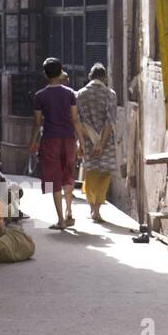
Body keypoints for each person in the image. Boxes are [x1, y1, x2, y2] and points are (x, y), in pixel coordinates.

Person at [29, 57, 84, 230]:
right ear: (61, 73)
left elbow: (37, 122)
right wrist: (81, 142)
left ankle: (60, 220)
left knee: (54, 179)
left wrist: (33, 141)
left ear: (45, 74)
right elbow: (75, 119)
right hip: (68, 139)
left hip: (50, 140)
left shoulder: (40, 96)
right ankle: (69, 211)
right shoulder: (69, 94)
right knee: (68, 175)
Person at [75, 63, 118, 224]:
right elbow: (110, 121)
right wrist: (101, 143)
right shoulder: (110, 94)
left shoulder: (80, 94)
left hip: (87, 139)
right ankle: (97, 209)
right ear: (105, 77)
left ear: (89, 77)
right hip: (105, 142)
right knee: (104, 173)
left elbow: (77, 121)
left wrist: (82, 141)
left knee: (91, 173)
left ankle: (91, 207)